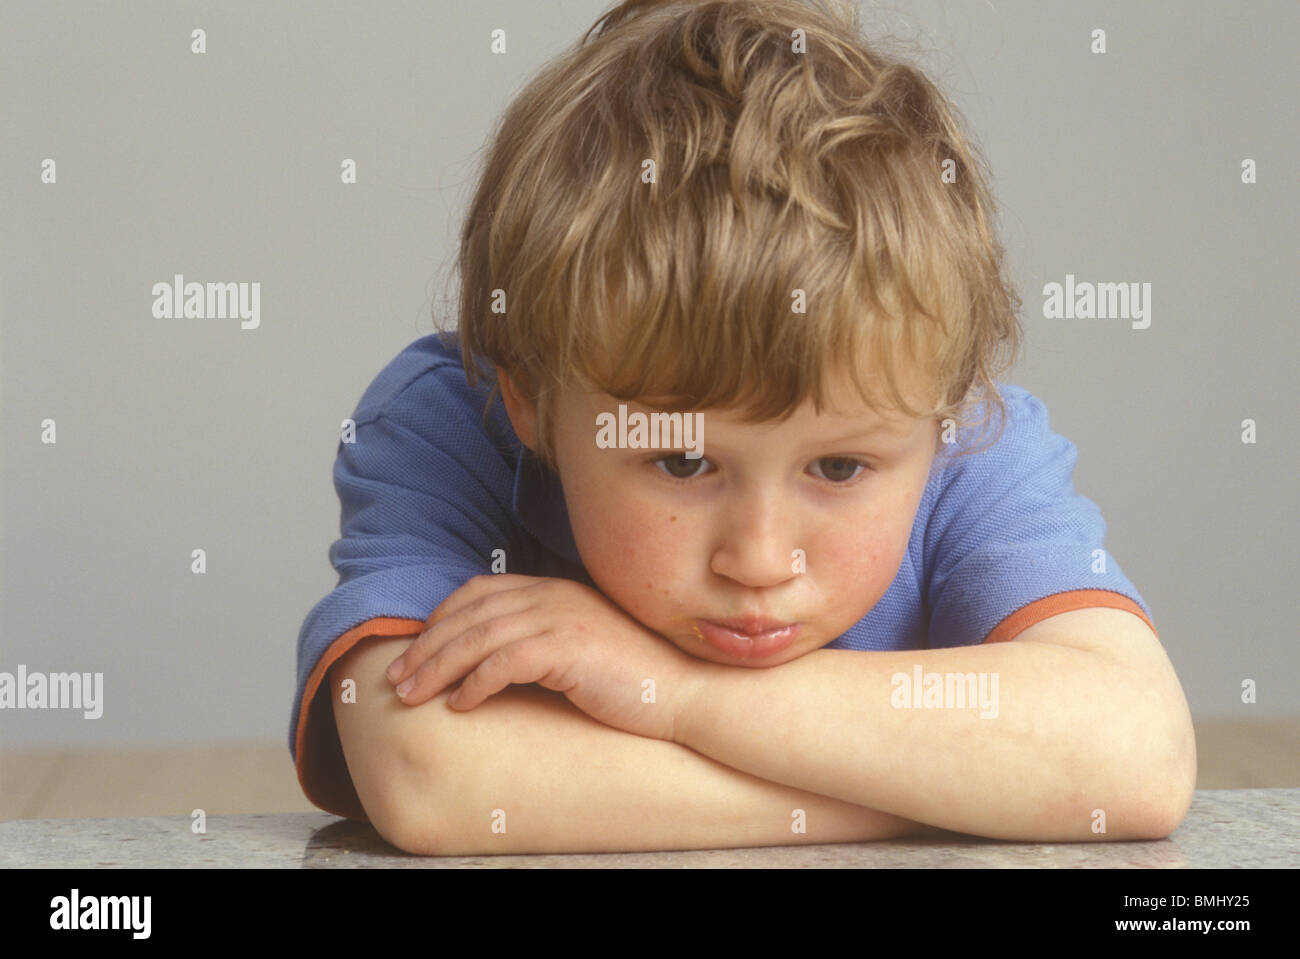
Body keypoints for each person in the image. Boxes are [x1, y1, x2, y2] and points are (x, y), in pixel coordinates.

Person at [290, 0, 1195, 855]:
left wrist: (673, 693)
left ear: (947, 410)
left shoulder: (967, 443)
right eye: (683, 460)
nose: (762, 561)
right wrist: (949, 791)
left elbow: (1136, 757)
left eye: (839, 468)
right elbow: (429, 777)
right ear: (530, 401)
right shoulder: (454, 420)